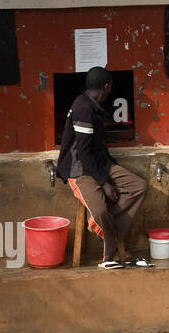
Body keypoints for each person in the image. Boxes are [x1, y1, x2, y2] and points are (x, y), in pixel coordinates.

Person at [56, 66, 151, 270]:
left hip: (99, 164)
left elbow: (95, 150)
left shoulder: (94, 106)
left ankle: (101, 226)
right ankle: (110, 255)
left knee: (139, 186)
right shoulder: (83, 108)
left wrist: (108, 170)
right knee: (100, 210)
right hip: (79, 170)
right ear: (107, 87)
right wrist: (104, 183)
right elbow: (83, 154)